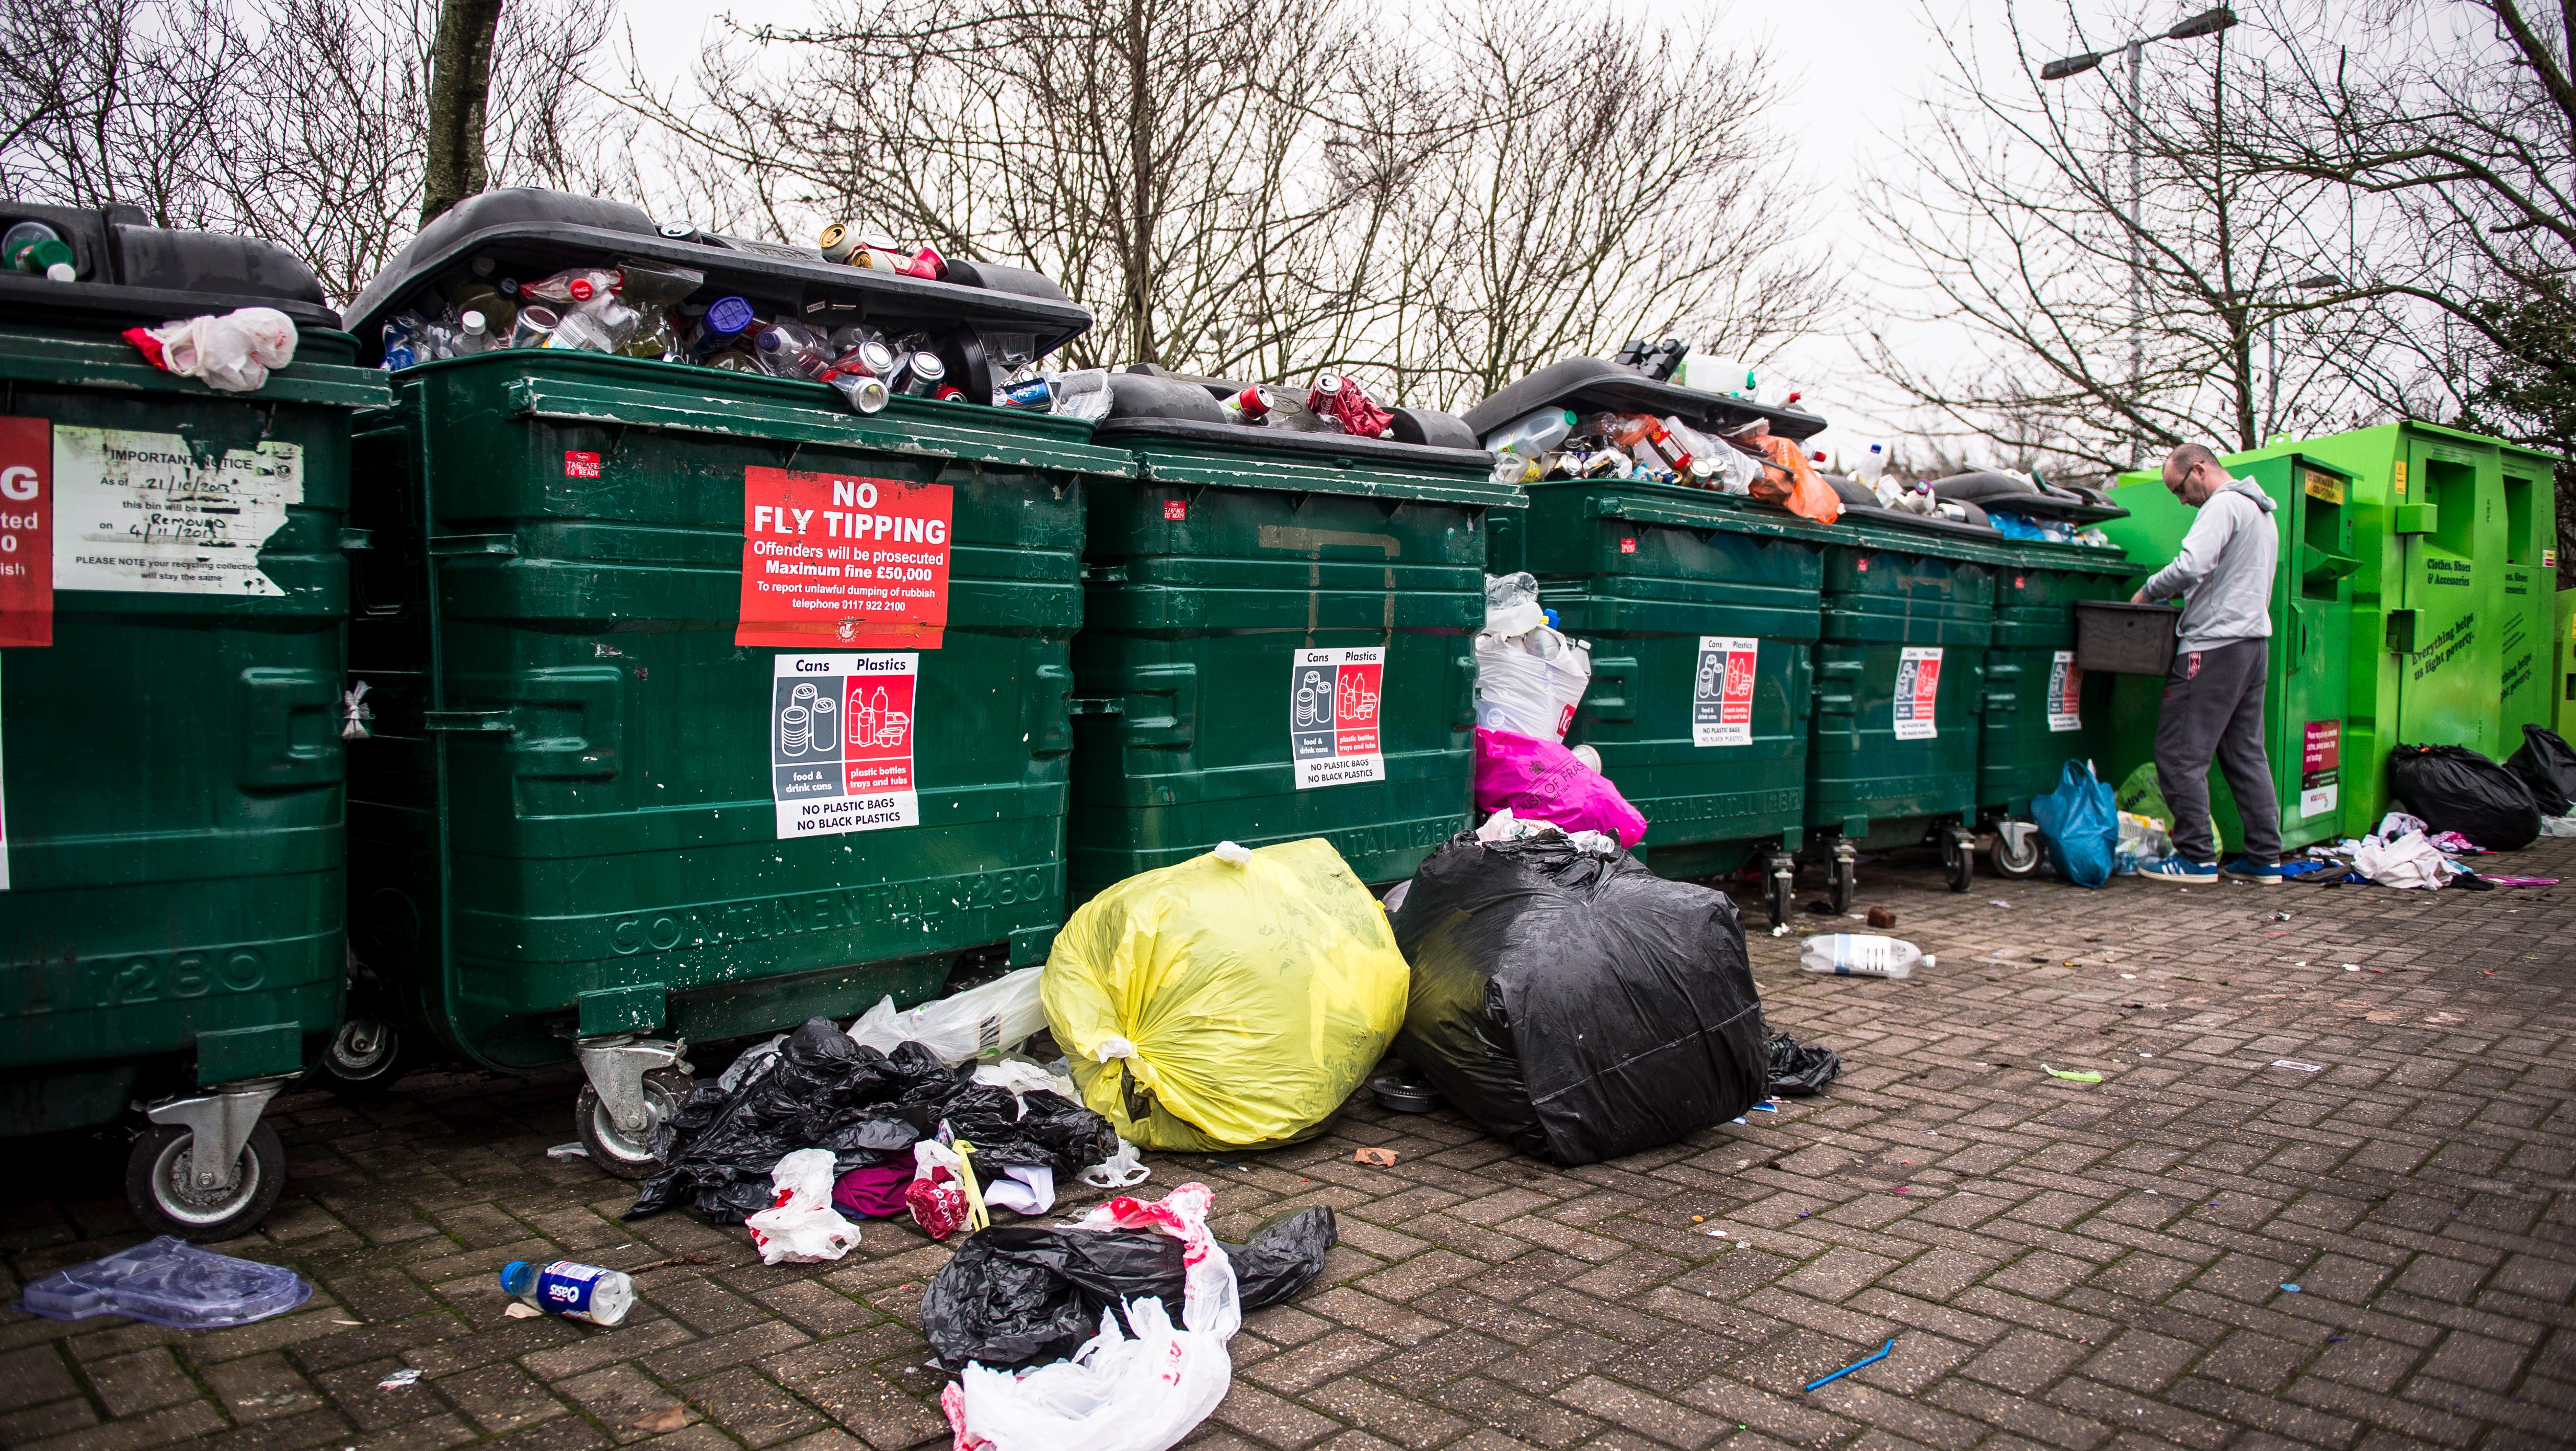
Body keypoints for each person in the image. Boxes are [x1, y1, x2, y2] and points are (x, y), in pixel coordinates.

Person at [2131, 443, 2282, 884]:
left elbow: (2193, 563)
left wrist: (2150, 591)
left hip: (2212, 648)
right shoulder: (2261, 512)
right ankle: (2263, 857)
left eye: (2179, 488)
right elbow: (2226, 578)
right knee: (2245, 755)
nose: (2181, 500)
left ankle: (2195, 857)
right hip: (2252, 647)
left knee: (2179, 754)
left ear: (2198, 470)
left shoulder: (2222, 506)